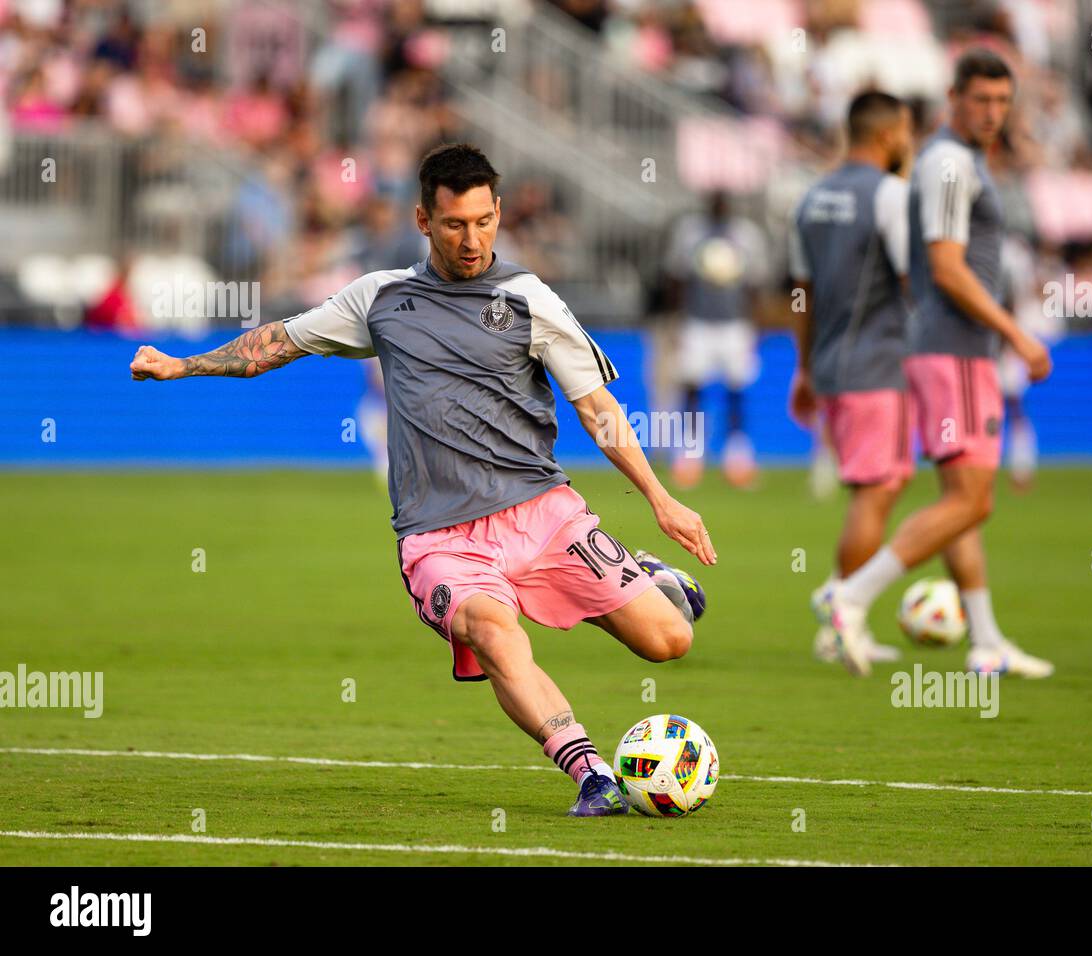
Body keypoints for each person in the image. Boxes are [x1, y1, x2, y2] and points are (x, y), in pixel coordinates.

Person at [129, 143, 716, 816]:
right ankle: (590, 772)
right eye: (455, 225)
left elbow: (597, 408)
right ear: (423, 220)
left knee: (668, 641)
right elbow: (276, 344)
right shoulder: (380, 299)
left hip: (543, 515)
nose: (473, 240)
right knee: (495, 634)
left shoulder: (530, 300)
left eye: (484, 221)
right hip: (441, 539)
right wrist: (183, 365)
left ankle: (652, 577)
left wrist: (659, 498)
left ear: (498, 212)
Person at [828, 49, 1055, 679]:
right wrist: (1017, 334)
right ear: (954, 96)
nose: (992, 113)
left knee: (963, 500)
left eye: (1002, 102)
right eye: (981, 100)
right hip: (956, 351)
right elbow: (948, 265)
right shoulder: (951, 163)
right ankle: (849, 596)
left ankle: (985, 641)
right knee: (971, 501)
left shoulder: (956, 160)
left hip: (946, 349)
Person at [788, 90, 916, 673]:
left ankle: (838, 626)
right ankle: (846, 613)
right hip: (878, 364)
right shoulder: (891, 195)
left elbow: (801, 295)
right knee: (878, 489)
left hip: (834, 364)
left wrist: (806, 367)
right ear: (890, 134)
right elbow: (917, 280)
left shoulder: (811, 199)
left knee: (869, 487)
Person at [663, 191, 770, 488]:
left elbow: (755, 285)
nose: (720, 205)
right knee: (693, 387)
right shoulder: (690, 232)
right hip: (697, 322)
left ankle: (737, 457)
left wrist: (755, 323)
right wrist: (677, 320)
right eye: (715, 201)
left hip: (735, 324)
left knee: (737, 389)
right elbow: (676, 279)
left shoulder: (746, 235)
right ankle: (690, 455)